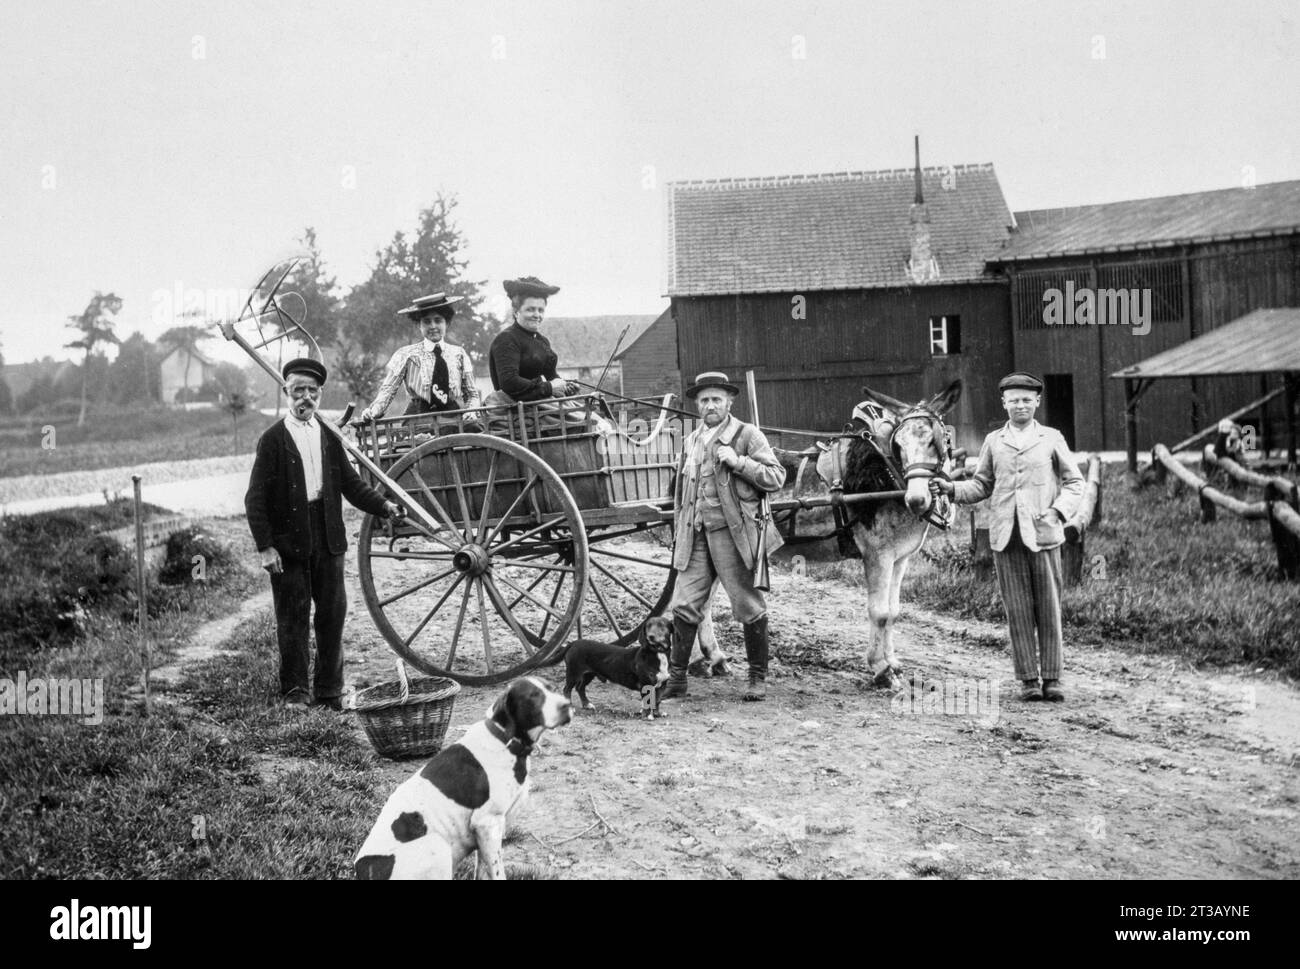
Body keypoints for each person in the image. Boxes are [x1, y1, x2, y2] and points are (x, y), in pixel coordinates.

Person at [246, 358, 404, 711]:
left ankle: (330, 692)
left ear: (320, 394)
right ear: (286, 392)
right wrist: (266, 547)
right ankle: (296, 692)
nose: (305, 398)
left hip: (329, 536)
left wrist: (383, 506)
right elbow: (255, 497)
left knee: (332, 615)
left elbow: (350, 484)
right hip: (290, 542)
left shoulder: (330, 435)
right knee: (293, 617)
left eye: (312, 391)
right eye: (298, 390)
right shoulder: (272, 439)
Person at [932, 372, 1084, 702]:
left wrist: (1058, 512)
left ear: (1037, 402)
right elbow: (981, 485)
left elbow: (1075, 483)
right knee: (1017, 610)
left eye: (1027, 400)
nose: (1020, 406)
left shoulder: (1051, 438)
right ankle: (1028, 679)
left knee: (1048, 608)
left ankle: (1053, 678)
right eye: (1014, 400)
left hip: (1043, 533)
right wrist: (951, 489)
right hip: (1004, 536)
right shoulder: (993, 441)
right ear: (1004, 403)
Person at [661, 371, 786, 703]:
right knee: (684, 604)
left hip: (733, 537)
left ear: (729, 402)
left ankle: (757, 679)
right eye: (703, 400)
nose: (709, 405)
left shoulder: (747, 435)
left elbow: (776, 477)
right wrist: (679, 535)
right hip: (696, 535)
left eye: (716, 399)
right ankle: (677, 680)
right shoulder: (690, 441)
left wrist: (739, 462)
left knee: (747, 605)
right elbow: (680, 498)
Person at [359, 292, 481, 425]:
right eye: (427, 322)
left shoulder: (459, 354)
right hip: (418, 420)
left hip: (452, 418)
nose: (433, 326)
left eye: (438, 320)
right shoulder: (406, 354)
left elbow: (472, 394)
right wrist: (373, 411)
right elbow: (388, 390)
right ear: (419, 325)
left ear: (447, 323)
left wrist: (471, 411)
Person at [484, 277, 580, 425]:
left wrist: (565, 387)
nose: (537, 315)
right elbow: (509, 383)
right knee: (589, 424)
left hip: (540, 405)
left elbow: (551, 377)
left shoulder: (542, 341)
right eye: (530, 309)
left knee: (597, 421)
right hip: (516, 409)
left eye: (541, 310)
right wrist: (549, 387)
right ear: (516, 312)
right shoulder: (506, 339)